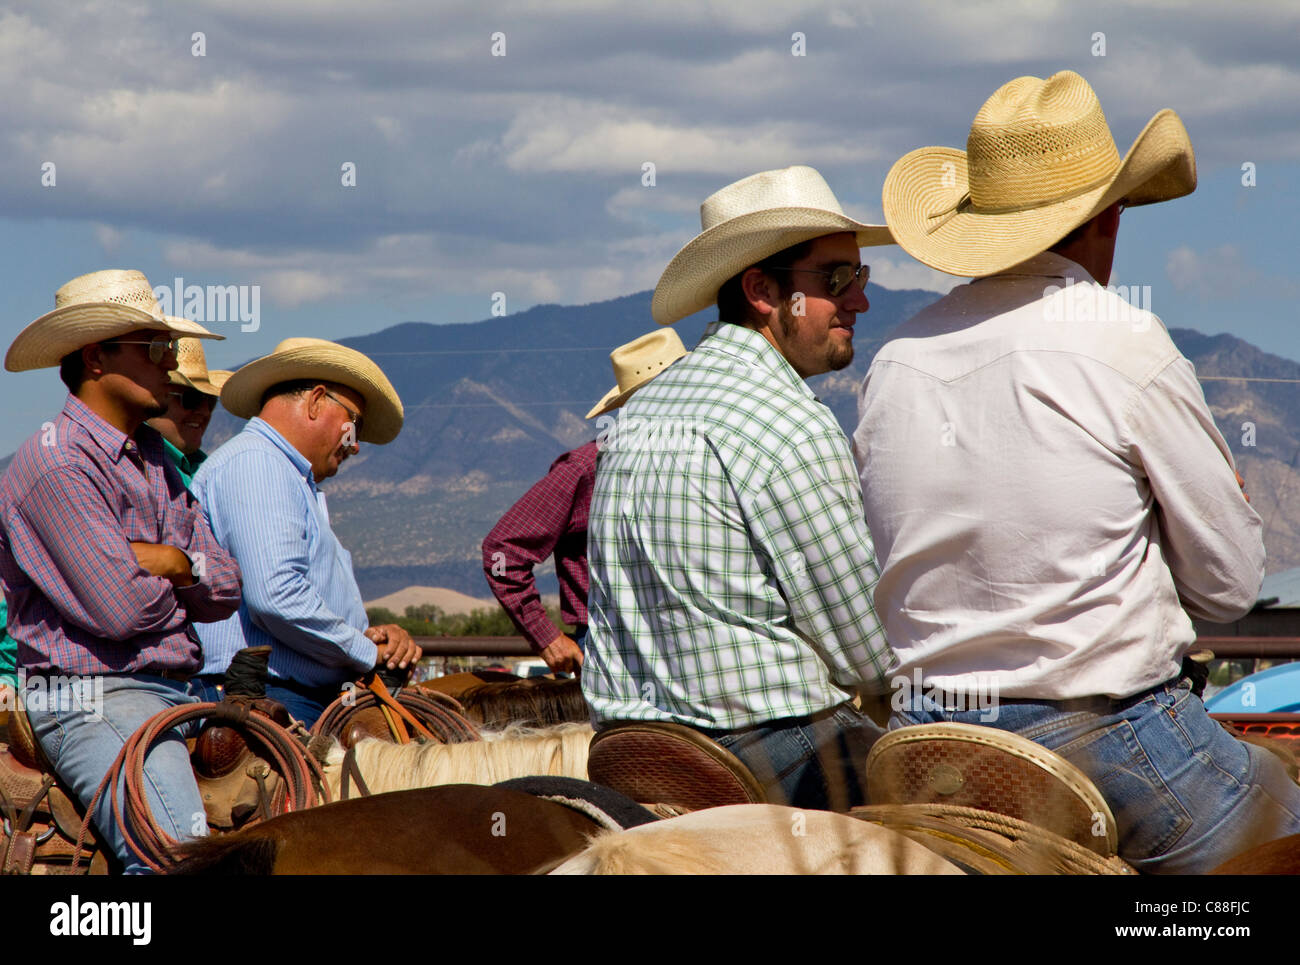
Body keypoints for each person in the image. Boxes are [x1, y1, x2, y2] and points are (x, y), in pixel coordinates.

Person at [856, 70, 1300, 872]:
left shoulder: (894, 363)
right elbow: (1230, 589)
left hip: (927, 742)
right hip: (1111, 739)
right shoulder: (1122, 342)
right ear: (1111, 214)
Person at [582, 166, 898, 810]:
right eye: (837, 279)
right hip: (775, 750)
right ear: (761, 290)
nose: (860, 300)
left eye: (858, 277)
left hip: (633, 752)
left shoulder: (638, 412)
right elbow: (866, 651)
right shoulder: (787, 422)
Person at [0, 269, 241, 873]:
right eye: (154, 349)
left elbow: (229, 588)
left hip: (174, 689)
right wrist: (186, 578)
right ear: (97, 357)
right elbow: (119, 609)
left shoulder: (157, 460)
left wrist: (172, 564)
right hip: (92, 695)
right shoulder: (55, 465)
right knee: (174, 859)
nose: (171, 365)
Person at [190, 338, 421, 726]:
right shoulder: (258, 463)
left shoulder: (283, 473)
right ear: (316, 401)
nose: (356, 445)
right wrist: (363, 649)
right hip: (267, 695)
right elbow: (275, 594)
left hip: (284, 692)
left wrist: (366, 637)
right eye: (355, 424)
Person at [481, 328, 687, 675]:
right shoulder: (587, 467)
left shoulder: (693, 460)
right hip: (612, 648)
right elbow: (503, 551)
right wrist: (546, 637)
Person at [147, 330, 232, 487]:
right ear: (158, 396)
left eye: (211, 401)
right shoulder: (142, 468)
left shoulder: (209, 470)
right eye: (192, 399)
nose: (205, 411)